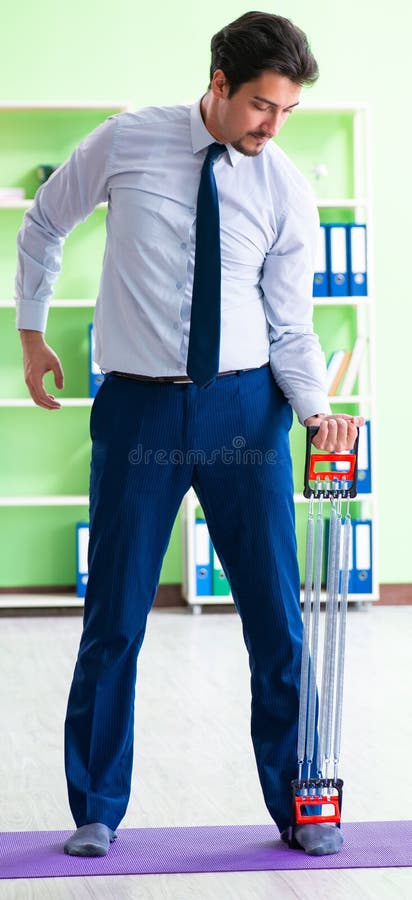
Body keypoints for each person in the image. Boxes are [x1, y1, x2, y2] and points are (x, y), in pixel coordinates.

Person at [16, 10, 362, 858]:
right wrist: (29, 335)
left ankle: (296, 805)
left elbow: (292, 325)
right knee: (116, 615)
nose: (273, 127)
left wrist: (315, 411)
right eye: (260, 107)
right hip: (137, 408)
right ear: (217, 84)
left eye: (286, 112)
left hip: (244, 414)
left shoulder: (284, 187)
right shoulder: (127, 141)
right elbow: (45, 222)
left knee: (276, 618)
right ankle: (96, 805)